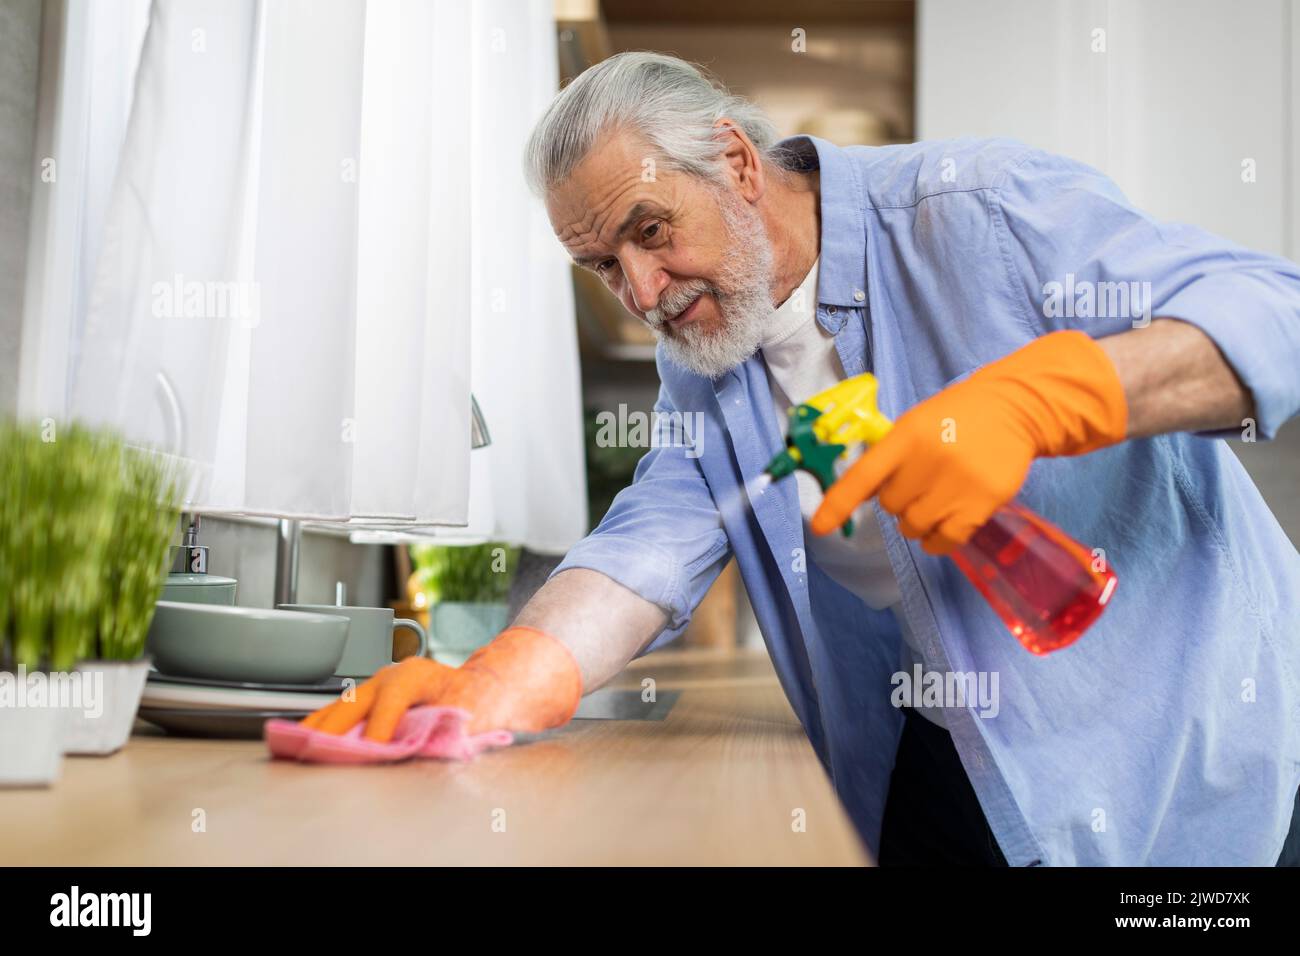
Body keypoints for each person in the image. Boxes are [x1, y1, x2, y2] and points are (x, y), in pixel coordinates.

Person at [304, 52, 1300, 867]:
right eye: (604, 264)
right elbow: (648, 548)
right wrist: (496, 674)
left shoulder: (977, 207)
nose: (642, 288)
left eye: (650, 232)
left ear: (736, 163)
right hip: (964, 753)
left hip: (1192, 740)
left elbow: (1274, 315)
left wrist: (1032, 404)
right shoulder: (705, 361)